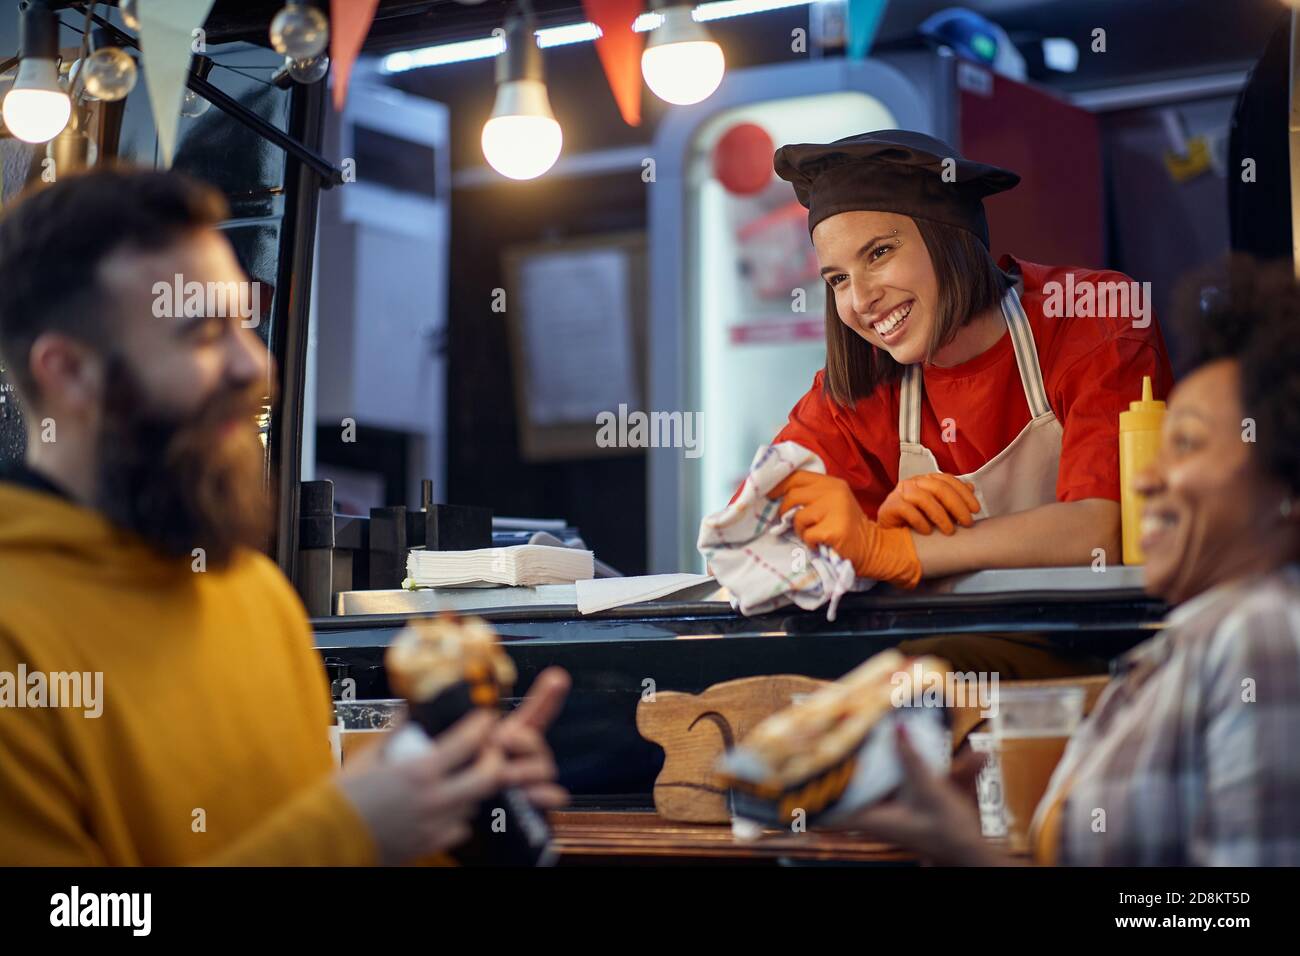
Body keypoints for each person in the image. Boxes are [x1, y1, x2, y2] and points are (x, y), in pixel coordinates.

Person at [0, 165, 568, 865]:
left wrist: (450, 812)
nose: (257, 367)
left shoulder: (254, 595)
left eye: (245, 322)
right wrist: (350, 831)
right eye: (202, 334)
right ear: (68, 372)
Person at [847, 256, 1300, 865]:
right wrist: (964, 845)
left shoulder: (1262, 636)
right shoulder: (1175, 654)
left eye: (1185, 443)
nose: (1144, 480)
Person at [752, 130, 1173, 590]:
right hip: (940, 653)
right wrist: (878, 531)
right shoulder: (859, 386)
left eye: (879, 253)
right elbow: (744, 545)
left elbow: (1103, 531)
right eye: (836, 280)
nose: (861, 299)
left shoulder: (1088, 313)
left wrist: (897, 549)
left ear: (950, 237)